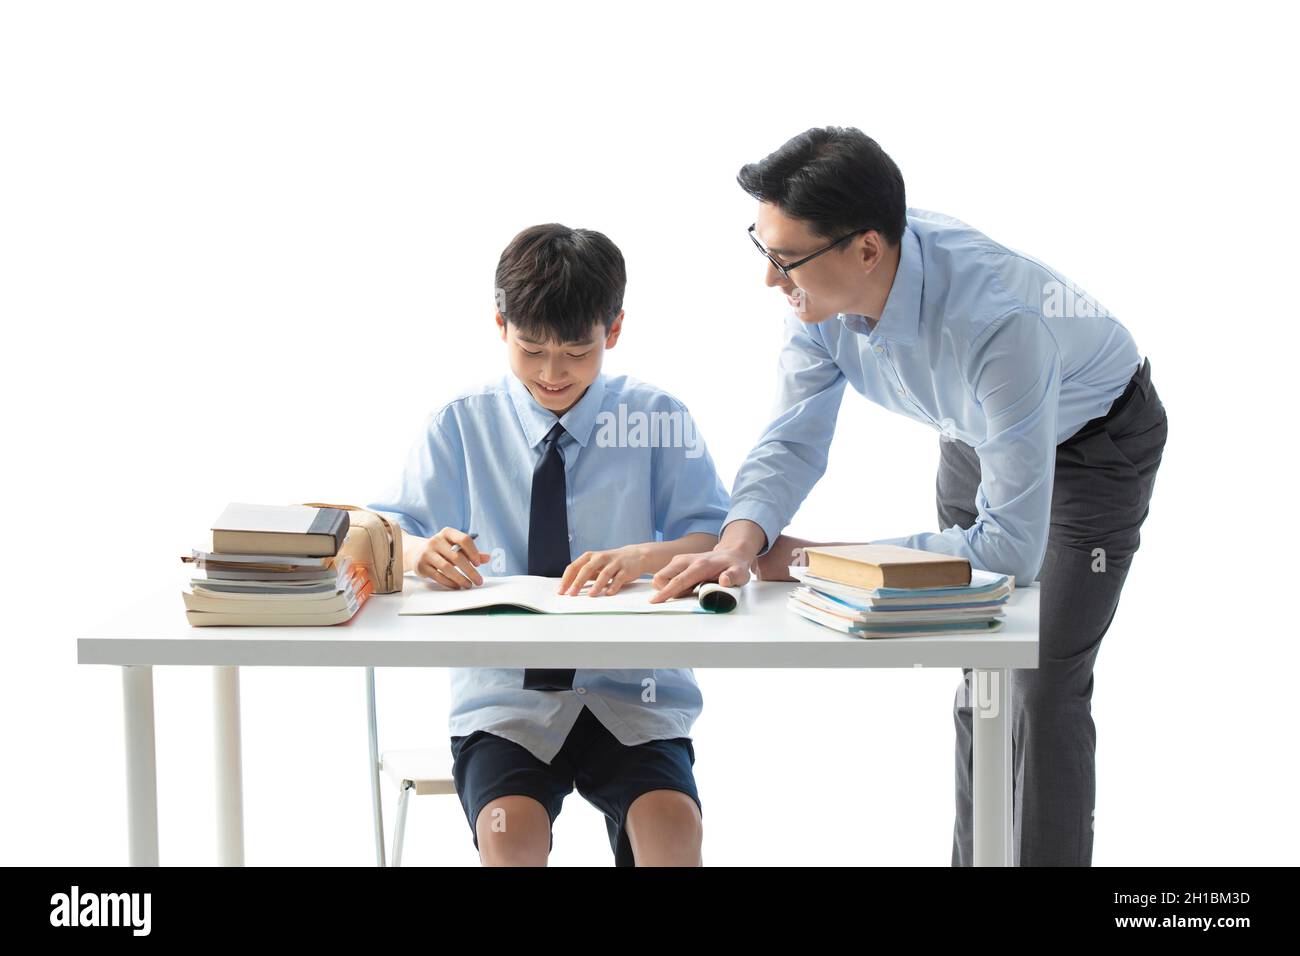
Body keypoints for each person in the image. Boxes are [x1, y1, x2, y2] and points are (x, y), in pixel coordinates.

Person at [650, 126, 1168, 866]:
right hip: (972, 433)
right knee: (979, 669)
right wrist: (744, 538)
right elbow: (792, 436)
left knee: (1040, 685)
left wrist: (822, 559)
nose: (771, 280)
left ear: (865, 249)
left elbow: (1008, 554)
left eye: (786, 259)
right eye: (763, 250)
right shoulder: (818, 303)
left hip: (1092, 445)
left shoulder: (999, 324)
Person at [368, 223, 730, 866]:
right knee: (509, 836)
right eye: (531, 350)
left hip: (635, 692)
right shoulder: (460, 422)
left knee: (672, 831)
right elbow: (376, 529)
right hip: (505, 700)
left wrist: (642, 556)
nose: (553, 372)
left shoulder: (656, 417)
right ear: (500, 324)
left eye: (576, 351)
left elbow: (721, 540)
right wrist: (421, 548)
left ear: (613, 331)